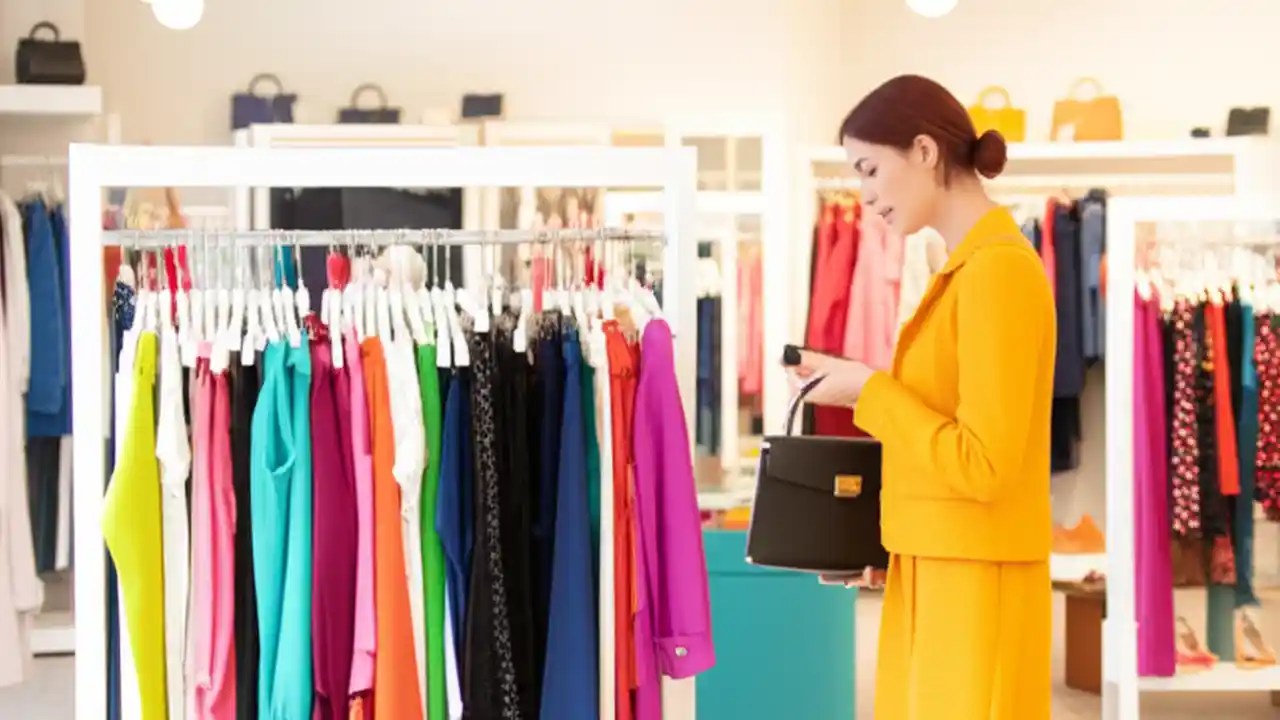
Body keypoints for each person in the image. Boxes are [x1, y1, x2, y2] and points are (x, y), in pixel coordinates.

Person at [786, 74, 1055, 719]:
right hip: (939, 570)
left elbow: (985, 463)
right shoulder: (966, 269)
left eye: (871, 169)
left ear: (927, 152)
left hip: (974, 584)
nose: (866, 195)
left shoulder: (999, 273)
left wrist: (869, 390)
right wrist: (893, 540)